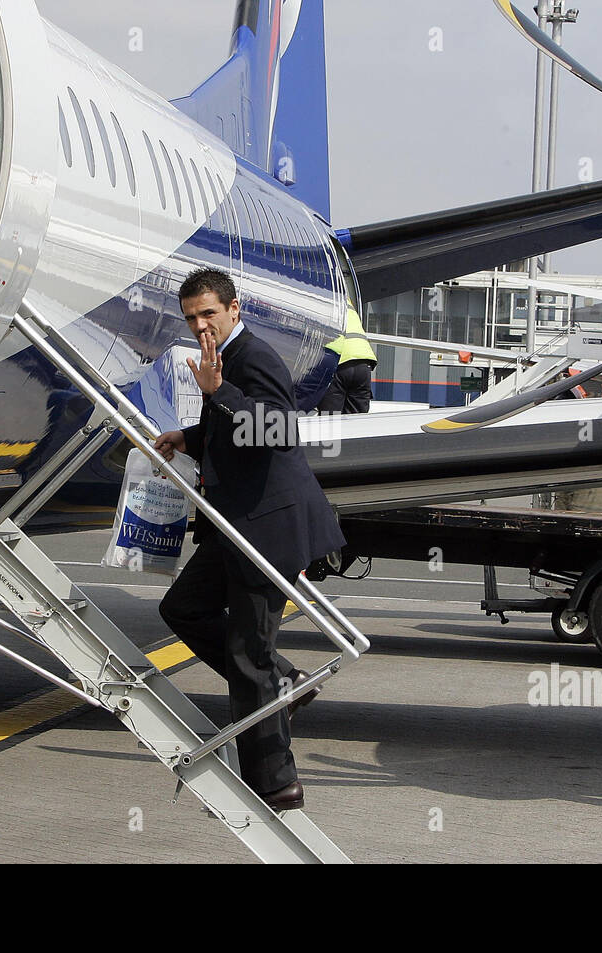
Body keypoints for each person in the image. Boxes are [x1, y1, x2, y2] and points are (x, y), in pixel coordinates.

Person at [154, 268, 345, 812]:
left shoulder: (253, 358)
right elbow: (231, 431)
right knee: (184, 609)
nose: (200, 326)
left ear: (234, 310)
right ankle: (289, 683)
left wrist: (220, 393)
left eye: (208, 314)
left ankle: (275, 782)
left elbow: (278, 431)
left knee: (247, 656)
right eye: (191, 317)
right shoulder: (223, 362)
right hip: (235, 526)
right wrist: (188, 436)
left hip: (268, 527)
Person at [315, 305, 377, 413]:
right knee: (355, 422)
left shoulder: (321, 300)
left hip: (339, 362)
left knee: (330, 423)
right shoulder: (347, 303)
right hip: (363, 363)